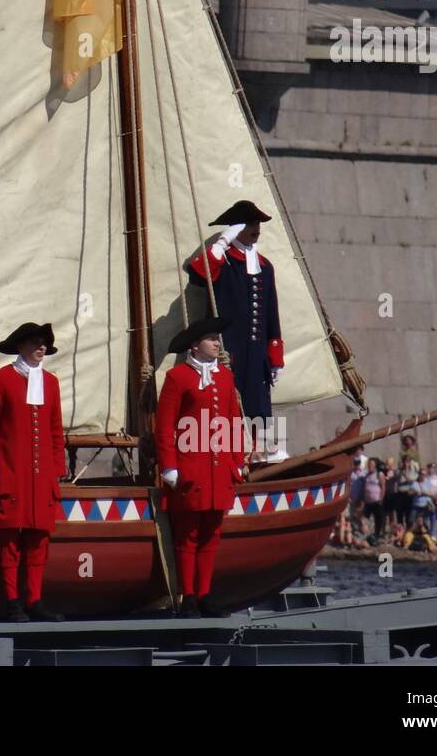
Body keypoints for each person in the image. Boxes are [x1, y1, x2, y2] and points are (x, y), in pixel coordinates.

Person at [154, 316, 246, 618]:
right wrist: (169, 466)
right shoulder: (177, 377)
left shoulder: (225, 378)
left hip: (218, 469)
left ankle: (205, 594)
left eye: (217, 338)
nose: (217, 343)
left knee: (211, 534)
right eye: (211, 339)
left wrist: (236, 461)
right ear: (195, 345)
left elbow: (233, 422)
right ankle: (189, 596)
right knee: (188, 535)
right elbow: (165, 426)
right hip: (190, 468)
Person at [0, 322, 67, 623]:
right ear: (20, 346)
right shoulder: (0, 380)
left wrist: (57, 469)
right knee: (8, 539)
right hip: (11, 472)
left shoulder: (51, 382)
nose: (41, 347)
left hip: (41, 477)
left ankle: (35, 600)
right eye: (35, 342)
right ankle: (13, 601)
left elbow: (55, 430)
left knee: (38, 539)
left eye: (44, 343)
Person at [186, 200, 284, 450]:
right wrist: (221, 244)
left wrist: (275, 357)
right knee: (227, 402)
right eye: (250, 224)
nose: (256, 229)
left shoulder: (265, 266)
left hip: (256, 350)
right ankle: (227, 453)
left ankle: (261, 451)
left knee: (258, 404)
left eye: (258, 224)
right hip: (229, 348)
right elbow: (198, 275)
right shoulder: (224, 261)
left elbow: (271, 312)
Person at [361, 457, 386, 544]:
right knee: (365, 519)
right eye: (369, 464)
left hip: (376, 501)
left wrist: (381, 499)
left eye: (371, 465)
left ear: (375, 465)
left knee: (378, 519)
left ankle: (377, 536)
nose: (369, 466)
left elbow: (383, 487)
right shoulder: (367, 475)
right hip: (368, 501)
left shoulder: (379, 474)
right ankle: (366, 535)